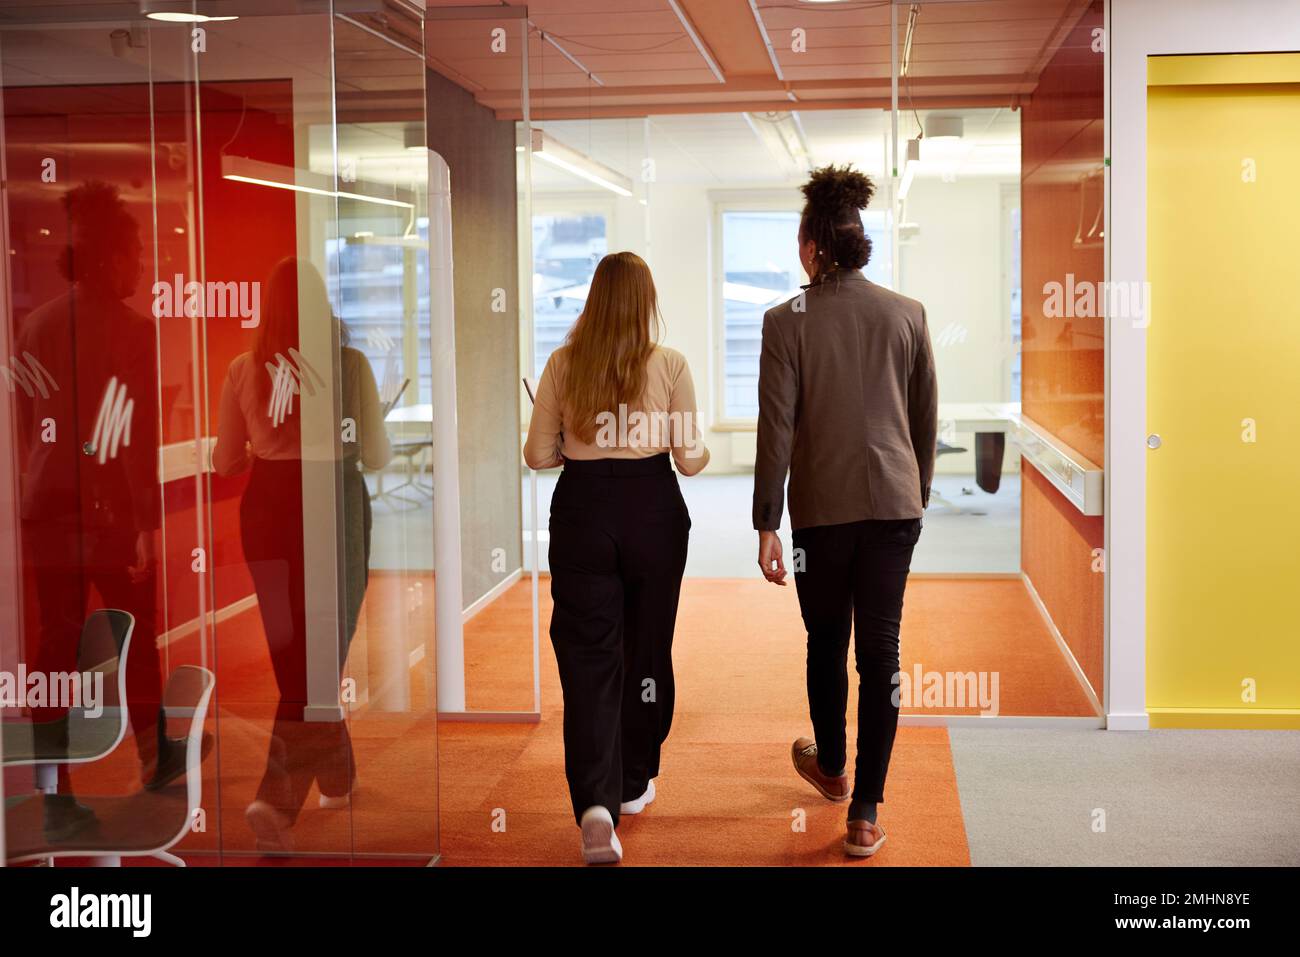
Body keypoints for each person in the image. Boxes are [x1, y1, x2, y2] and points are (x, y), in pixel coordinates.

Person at [752, 165, 937, 858]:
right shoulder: (907, 312)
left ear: (811, 248)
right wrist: (914, 494)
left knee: (826, 640)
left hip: (821, 514)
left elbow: (775, 429)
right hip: (895, 505)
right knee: (881, 651)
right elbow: (925, 421)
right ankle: (865, 811)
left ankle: (832, 766)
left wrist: (765, 521)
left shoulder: (783, 322)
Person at [524, 251, 708, 865]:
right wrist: (695, 450)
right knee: (648, 647)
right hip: (653, 511)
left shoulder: (562, 363)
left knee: (588, 657)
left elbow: (537, 456)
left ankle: (595, 807)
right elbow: (690, 457)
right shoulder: (670, 363)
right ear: (646, 304)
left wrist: (572, 447)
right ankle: (634, 780)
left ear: (593, 301)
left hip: (582, 513)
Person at [13, 181, 176, 840]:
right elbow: (134, 436)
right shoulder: (135, 330)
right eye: (135, 253)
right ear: (110, 257)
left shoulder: (35, 323)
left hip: (45, 505)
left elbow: (32, 426)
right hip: (110, 511)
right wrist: (146, 522)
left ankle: (53, 789)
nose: (141, 266)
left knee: (53, 644)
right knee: (136, 637)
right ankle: (155, 757)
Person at [212, 257, 391, 852]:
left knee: (298, 658)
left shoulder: (243, 368)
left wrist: (269, 436)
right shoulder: (351, 364)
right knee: (317, 664)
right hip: (335, 498)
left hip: (267, 510)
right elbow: (383, 456)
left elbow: (225, 460)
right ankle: (276, 803)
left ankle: (338, 776)